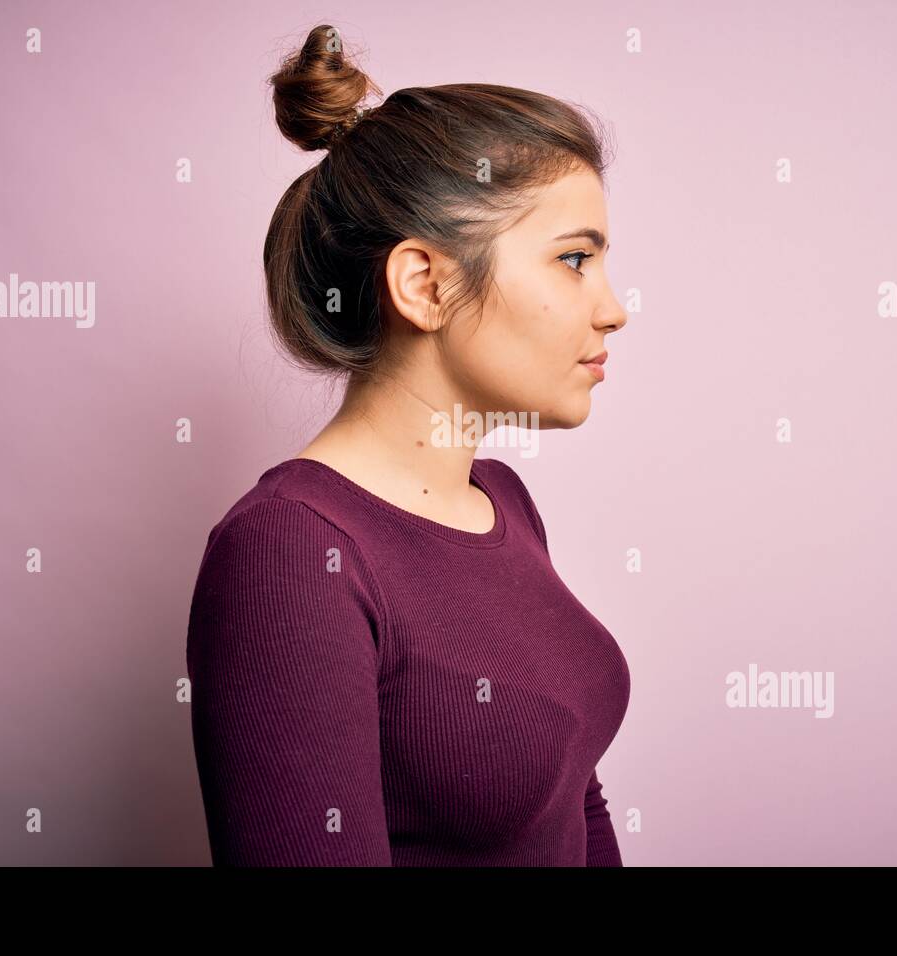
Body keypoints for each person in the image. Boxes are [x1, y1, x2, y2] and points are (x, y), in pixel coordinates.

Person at [186, 23, 630, 866]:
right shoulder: (289, 551)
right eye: (575, 260)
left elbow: (573, 800)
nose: (614, 308)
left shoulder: (502, 500)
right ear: (424, 284)